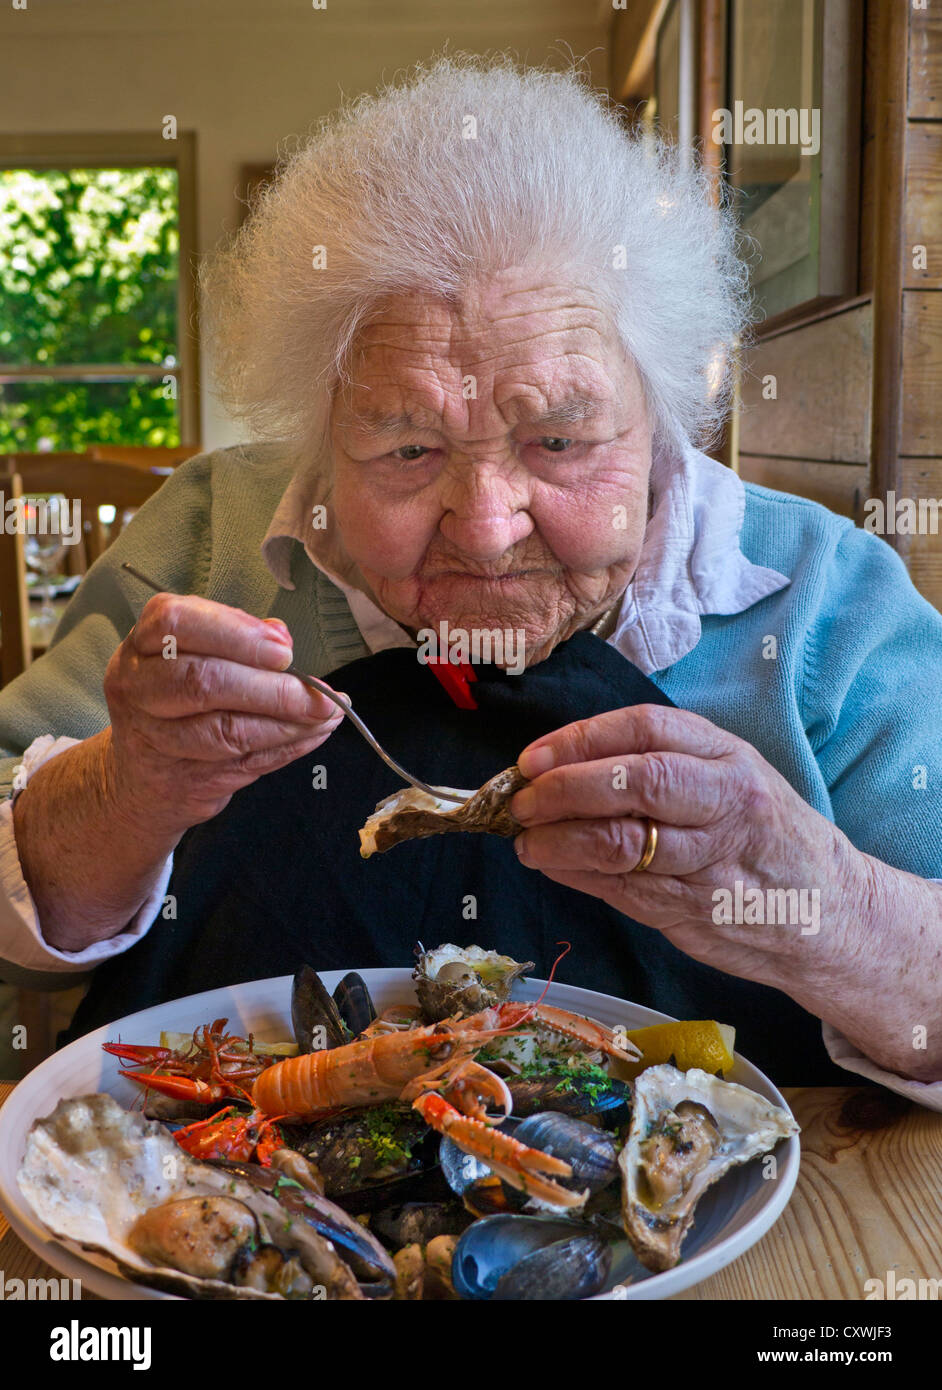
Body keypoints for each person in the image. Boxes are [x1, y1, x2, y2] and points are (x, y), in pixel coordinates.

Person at [1, 56, 940, 1101]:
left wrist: (825, 901)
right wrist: (125, 789)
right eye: (406, 451)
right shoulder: (204, 541)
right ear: (319, 432)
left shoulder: (823, 605)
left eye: (558, 439)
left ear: (665, 412)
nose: (488, 530)